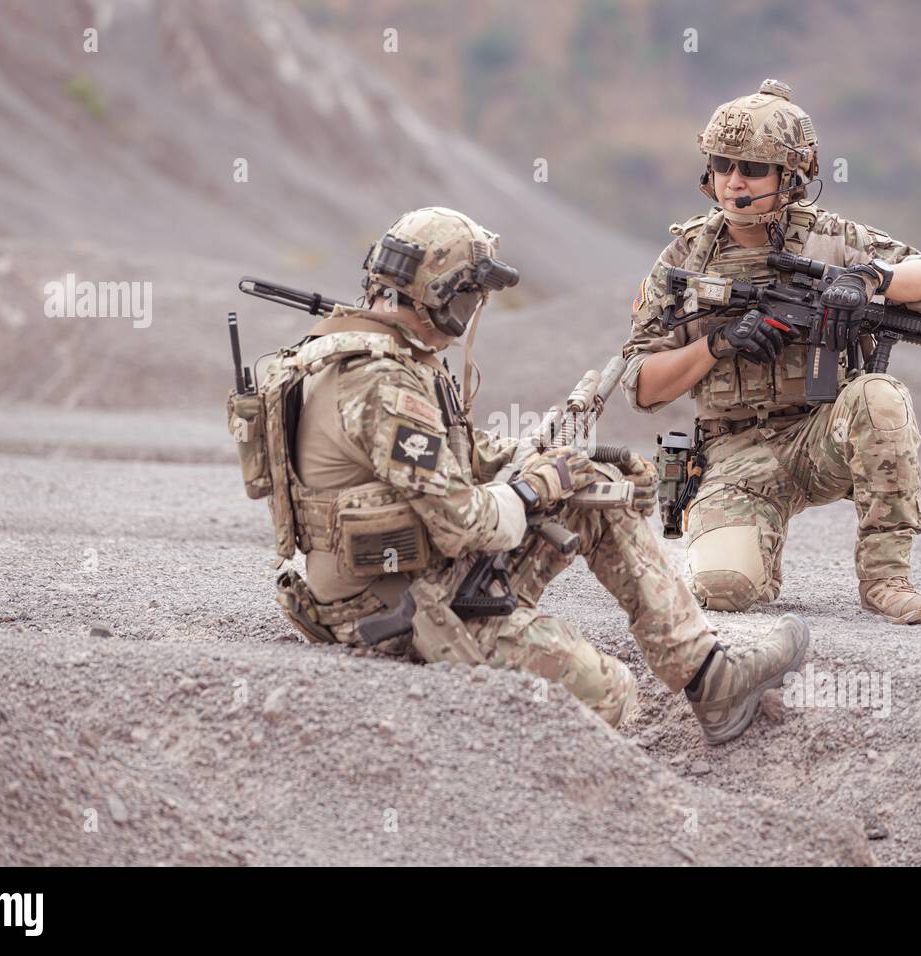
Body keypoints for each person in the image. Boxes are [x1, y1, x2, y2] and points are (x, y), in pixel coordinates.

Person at [246, 206, 810, 743]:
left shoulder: (383, 356)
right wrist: (535, 484)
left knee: (593, 490)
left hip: (410, 579)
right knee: (611, 694)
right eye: (470, 297)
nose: (470, 316)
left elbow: (462, 455)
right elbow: (462, 525)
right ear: (445, 295)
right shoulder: (381, 383)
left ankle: (709, 676)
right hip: (397, 613)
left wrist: (565, 460)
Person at [622, 79, 921, 625]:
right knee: (725, 589)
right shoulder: (684, 260)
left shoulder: (832, 240)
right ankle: (727, 542)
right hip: (734, 454)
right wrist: (717, 344)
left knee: (880, 396)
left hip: (822, 438)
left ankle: (885, 579)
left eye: (752, 169)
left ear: (791, 175)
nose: (734, 182)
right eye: (723, 164)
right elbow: (640, 384)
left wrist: (871, 278)